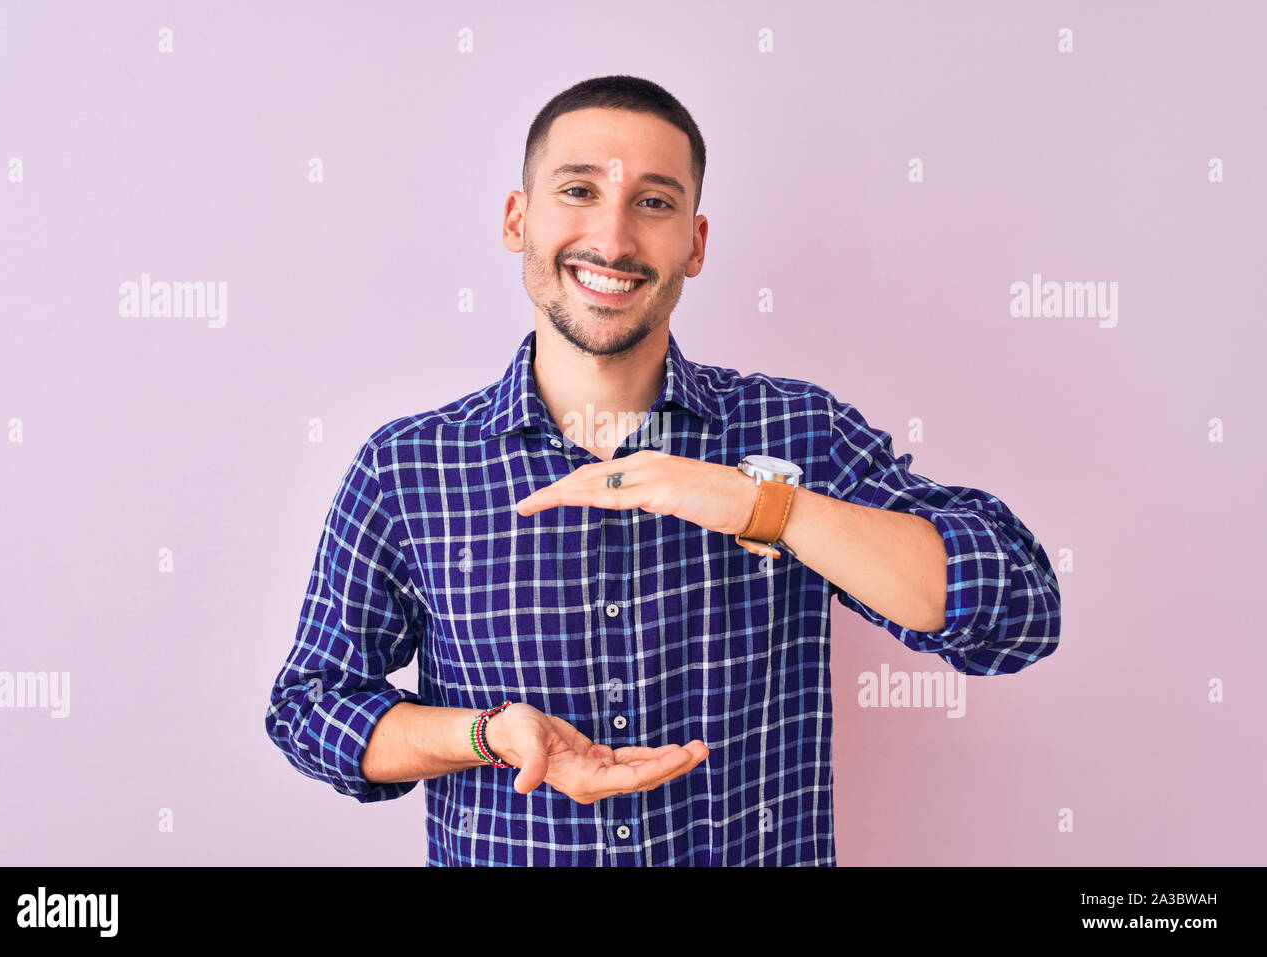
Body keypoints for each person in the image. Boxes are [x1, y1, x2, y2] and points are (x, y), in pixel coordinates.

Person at [264, 74, 1061, 866]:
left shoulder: (794, 433)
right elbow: (311, 708)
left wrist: (763, 507)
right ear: (518, 218)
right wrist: (486, 734)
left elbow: (1018, 610)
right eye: (578, 190)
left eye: (653, 202)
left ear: (696, 241)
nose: (613, 240)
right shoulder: (410, 466)